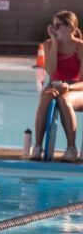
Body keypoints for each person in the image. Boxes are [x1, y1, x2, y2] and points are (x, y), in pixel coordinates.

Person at [30, 11, 83, 162]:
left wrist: (69, 87)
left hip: (77, 88)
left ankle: (71, 148)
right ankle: (38, 146)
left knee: (64, 99)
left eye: (58, 26)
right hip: (55, 84)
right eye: (52, 26)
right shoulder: (48, 44)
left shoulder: (80, 47)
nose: (54, 29)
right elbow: (51, 72)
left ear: (71, 27)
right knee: (46, 96)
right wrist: (54, 42)